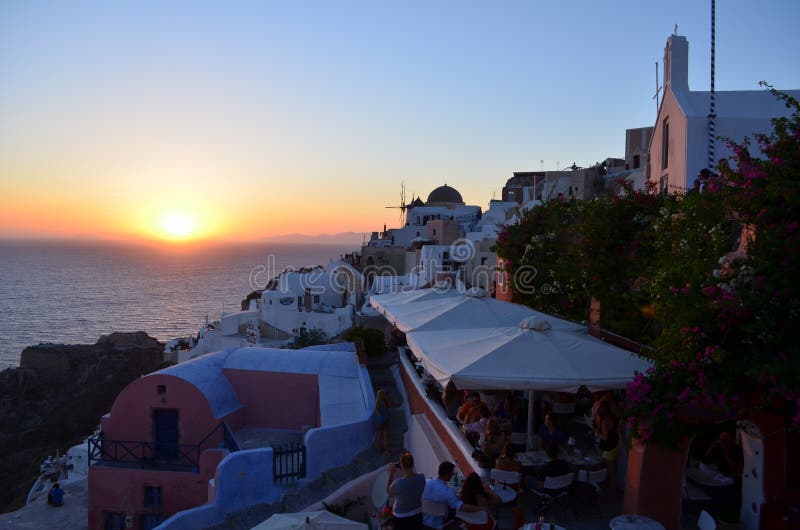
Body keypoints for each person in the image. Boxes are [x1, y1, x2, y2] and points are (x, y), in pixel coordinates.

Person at [421, 461, 483, 530]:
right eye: (452, 474)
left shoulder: (425, 482)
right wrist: (481, 508)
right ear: (447, 474)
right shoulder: (448, 491)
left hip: (424, 522)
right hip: (439, 525)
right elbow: (461, 507)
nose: (452, 476)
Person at [386, 452, 426, 530]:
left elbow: (389, 493)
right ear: (412, 463)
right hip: (417, 513)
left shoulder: (398, 483)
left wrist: (391, 473)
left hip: (401, 517)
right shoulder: (422, 477)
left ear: (402, 466)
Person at [595, 401, 619, 495]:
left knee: (610, 473)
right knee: (613, 471)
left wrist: (598, 433)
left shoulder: (604, 422)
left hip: (608, 449)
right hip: (615, 446)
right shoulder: (613, 418)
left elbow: (605, 438)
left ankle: (612, 492)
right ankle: (610, 488)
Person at [374, 389, 395, 455]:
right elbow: (391, 406)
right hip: (385, 421)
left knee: (379, 435)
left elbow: (377, 412)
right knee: (386, 436)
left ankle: (379, 448)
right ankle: (386, 450)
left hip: (379, 421)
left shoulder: (377, 403)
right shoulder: (385, 402)